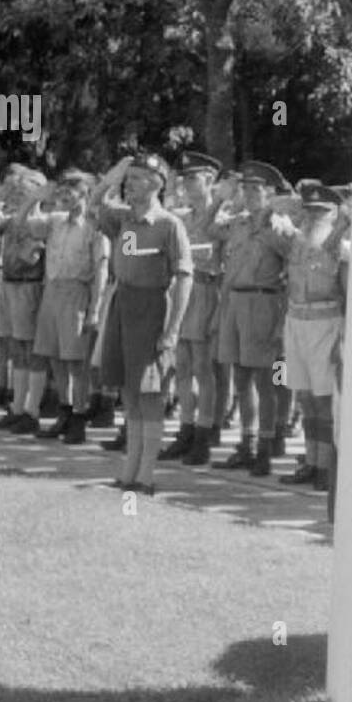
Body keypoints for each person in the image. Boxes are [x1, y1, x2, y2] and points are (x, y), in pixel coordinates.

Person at [89, 153, 193, 495]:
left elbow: (184, 278)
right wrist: (112, 174)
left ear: (156, 184)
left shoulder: (168, 225)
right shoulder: (122, 218)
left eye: (135, 178)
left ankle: (146, 476)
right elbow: (94, 204)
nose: (128, 184)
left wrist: (173, 329)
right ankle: (129, 471)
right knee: (129, 393)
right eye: (128, 178)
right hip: (123, 305)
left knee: (150, 394)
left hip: (152, 308)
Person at [211, 161, 295, 477]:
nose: (249, 194)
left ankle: (266, 445)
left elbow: (292, 263)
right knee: (241, 379)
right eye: (245, 188)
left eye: (256, 189)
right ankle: (245, 442)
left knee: (265, 381)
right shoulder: (238, 222)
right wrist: (221, 198)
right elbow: (209, 229)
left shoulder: (279, 224)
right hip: (234, 299)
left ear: (270, 193)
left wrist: (271, 218)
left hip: (263, 300)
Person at [19, 169, 109, 446]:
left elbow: (101, 268)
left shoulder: (95, 225)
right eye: (63, 188)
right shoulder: (55, 221)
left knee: (76, 362)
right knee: (55, 358)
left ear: (86, 192)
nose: (65, 194)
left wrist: (95, 308)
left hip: (77, 292)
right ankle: (65, 410)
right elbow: (22, 224)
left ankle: (80, 417)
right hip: (52, 291)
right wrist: (35, 197)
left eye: (72, 188)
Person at [158, 152, 226, 466]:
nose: (187, 183)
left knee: (203, 367)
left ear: (210, 180)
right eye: (184, 178)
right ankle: (186, 428)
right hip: (183, 288)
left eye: (193, 178)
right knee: (182, 365)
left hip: (208, 287)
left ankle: (204, 432)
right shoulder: (182, 217)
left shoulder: (223, 215)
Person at [283, 181, 348, 497]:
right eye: (309, 209)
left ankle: (326, 466)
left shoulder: (341, 244)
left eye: (321, 210)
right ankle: (310, 460)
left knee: (324, 399)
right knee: (305, 397)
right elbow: (274, 210)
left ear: (335, 212)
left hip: (326, 321)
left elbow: (348, 291)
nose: (313, 215)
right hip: (296, 318)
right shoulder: (297, 239)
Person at [0, 167, 49, 433]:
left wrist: (28, 207)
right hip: (9, 285)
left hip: (27, 287)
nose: (18, 192)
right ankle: (17, 406)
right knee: (15, 349)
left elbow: (29, 258)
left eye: (24, 189)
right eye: (16, 189)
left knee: (29, 349)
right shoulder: (11, 219)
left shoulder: (40, 222)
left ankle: (31, 410)